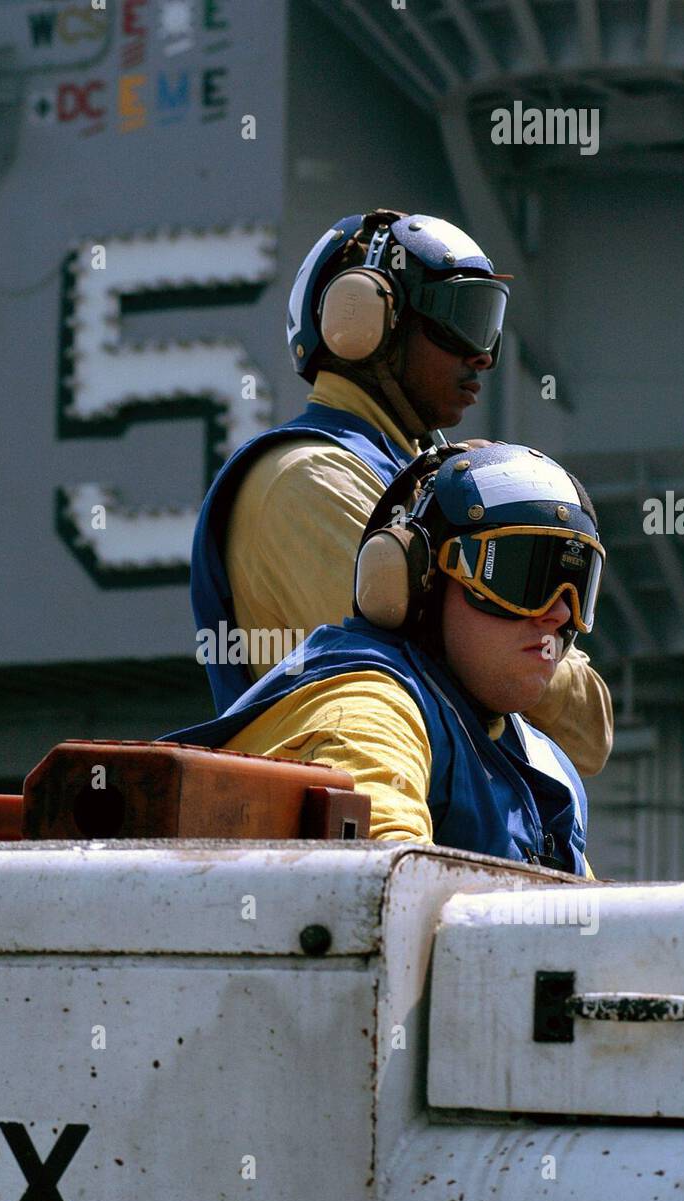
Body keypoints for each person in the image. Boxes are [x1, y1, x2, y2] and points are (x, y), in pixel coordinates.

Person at [190, 209, 612, 777]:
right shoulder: (309, 478)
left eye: (486, 323)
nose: (482, 355)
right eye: (458, 318)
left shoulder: (416, 480)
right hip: (368, 822)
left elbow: (590, 730)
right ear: (362, 320)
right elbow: (538, 700)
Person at [165, 444, 605, 878]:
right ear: (419, 577)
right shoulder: (364, 708)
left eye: (575, 583)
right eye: (522, 575)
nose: (560, 611)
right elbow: (391, 885)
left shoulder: (546, 765)